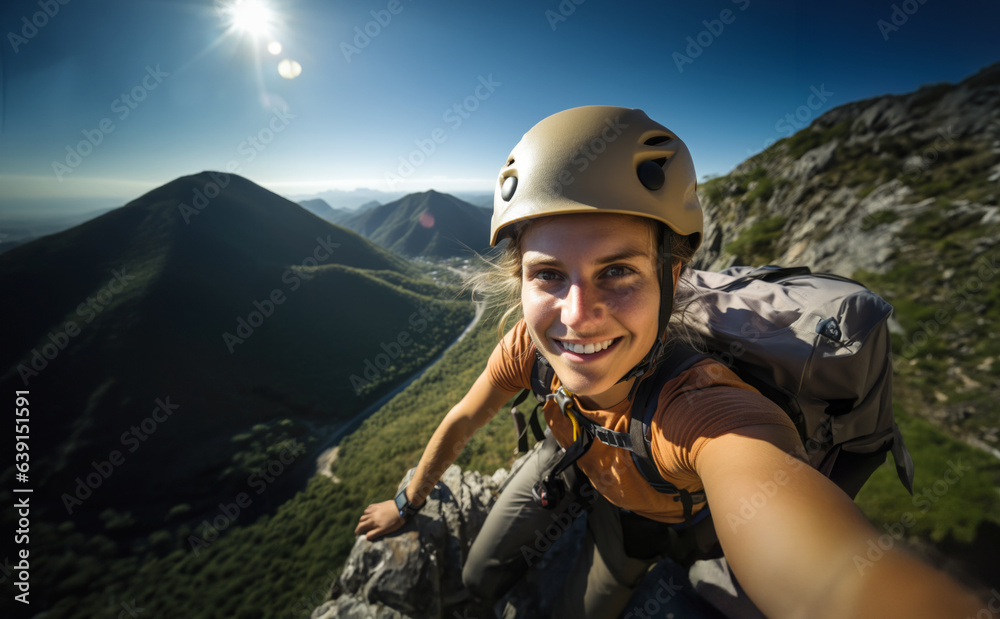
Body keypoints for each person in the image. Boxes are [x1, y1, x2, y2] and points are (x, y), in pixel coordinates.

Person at [355, 106, 984, 618]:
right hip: (571, 457)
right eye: (548, 274)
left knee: (589, 608)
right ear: (520, 282)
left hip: (638, 515)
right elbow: (465, 417)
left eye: (619, 271)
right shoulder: (527, 343)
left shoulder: (701, 410)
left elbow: (833, 586)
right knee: (477, 569)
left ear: (671, 276)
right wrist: (406, 506)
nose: (576, 315)